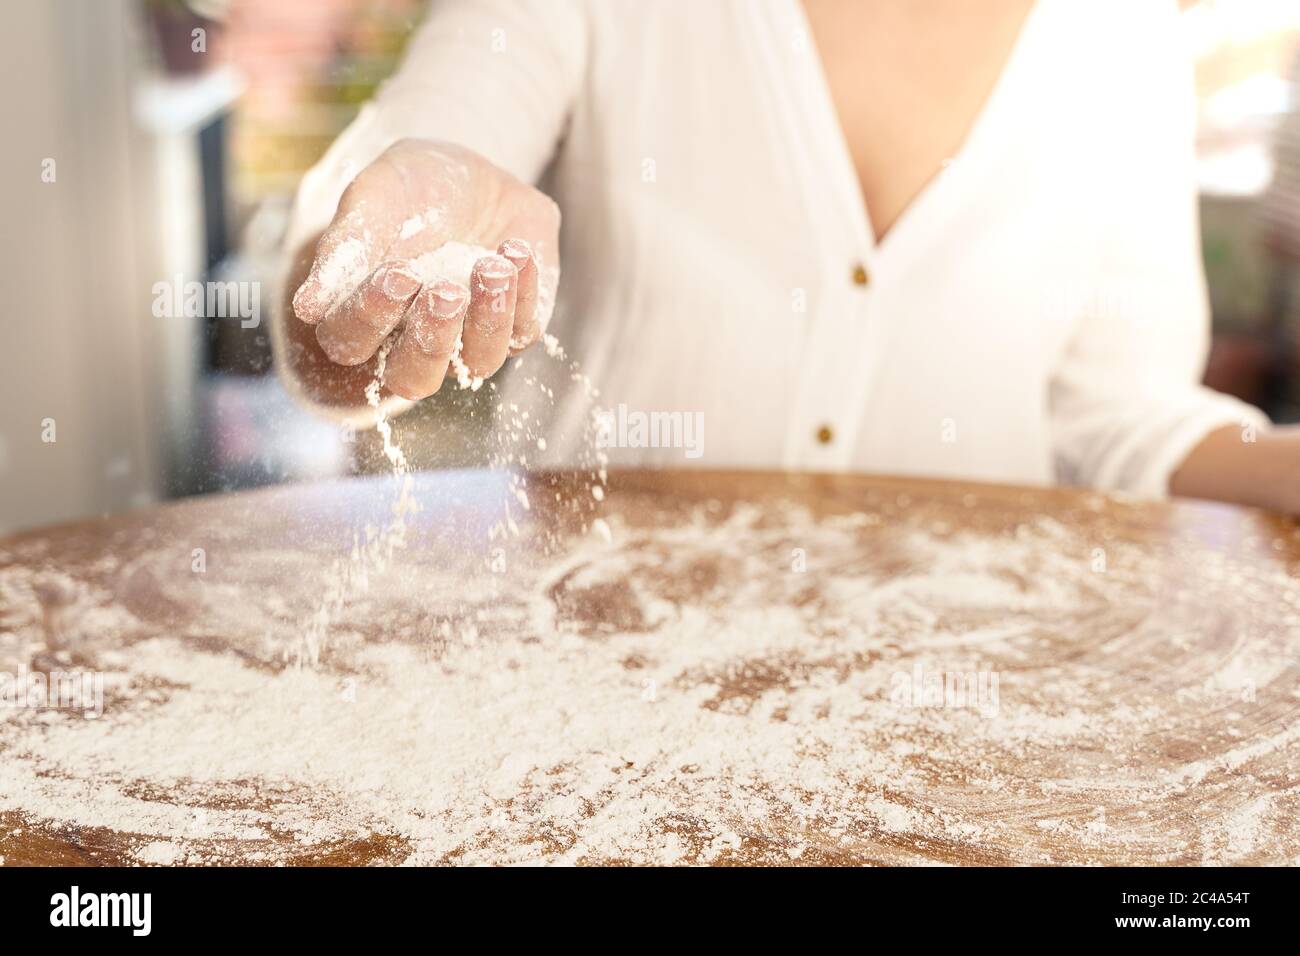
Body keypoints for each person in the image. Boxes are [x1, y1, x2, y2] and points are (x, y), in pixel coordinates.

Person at [274, 0, 1300, 513]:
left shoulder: (1122, 36)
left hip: (977, 744)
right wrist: (375, 262)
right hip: (590, 706)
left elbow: (1118, 415)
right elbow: (388, 216)